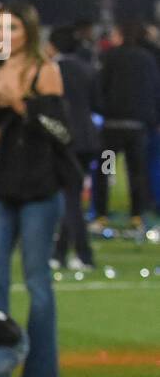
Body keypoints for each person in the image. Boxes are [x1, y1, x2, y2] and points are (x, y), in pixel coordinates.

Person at [0, 1, 65, 377]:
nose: (5, 36)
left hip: (40, 184)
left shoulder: (46, 71)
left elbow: (60, 129)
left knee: (37, 280)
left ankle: (40, 374)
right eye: (0, 29)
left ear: (28, 32)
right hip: (2, 182)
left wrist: (17, 104)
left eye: (12, 29)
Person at [91, 20, 160, 229]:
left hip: (112, 128)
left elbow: (98, 88)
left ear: (120, 35)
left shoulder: (110, 57)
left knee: (105, 170)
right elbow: (155, 91)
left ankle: (101, 215)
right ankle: (137, 215)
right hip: (137, 127)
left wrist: (102, 111)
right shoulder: (147, 59)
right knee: (136, 172)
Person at [47, 26, 97, 269]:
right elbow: (98, 102)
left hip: (64, 140)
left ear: (52, 46)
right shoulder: (86, 69)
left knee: (69, 200)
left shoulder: (50, 70)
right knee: (73, 197)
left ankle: (80, 254)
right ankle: (62, 252)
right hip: (88, 139)